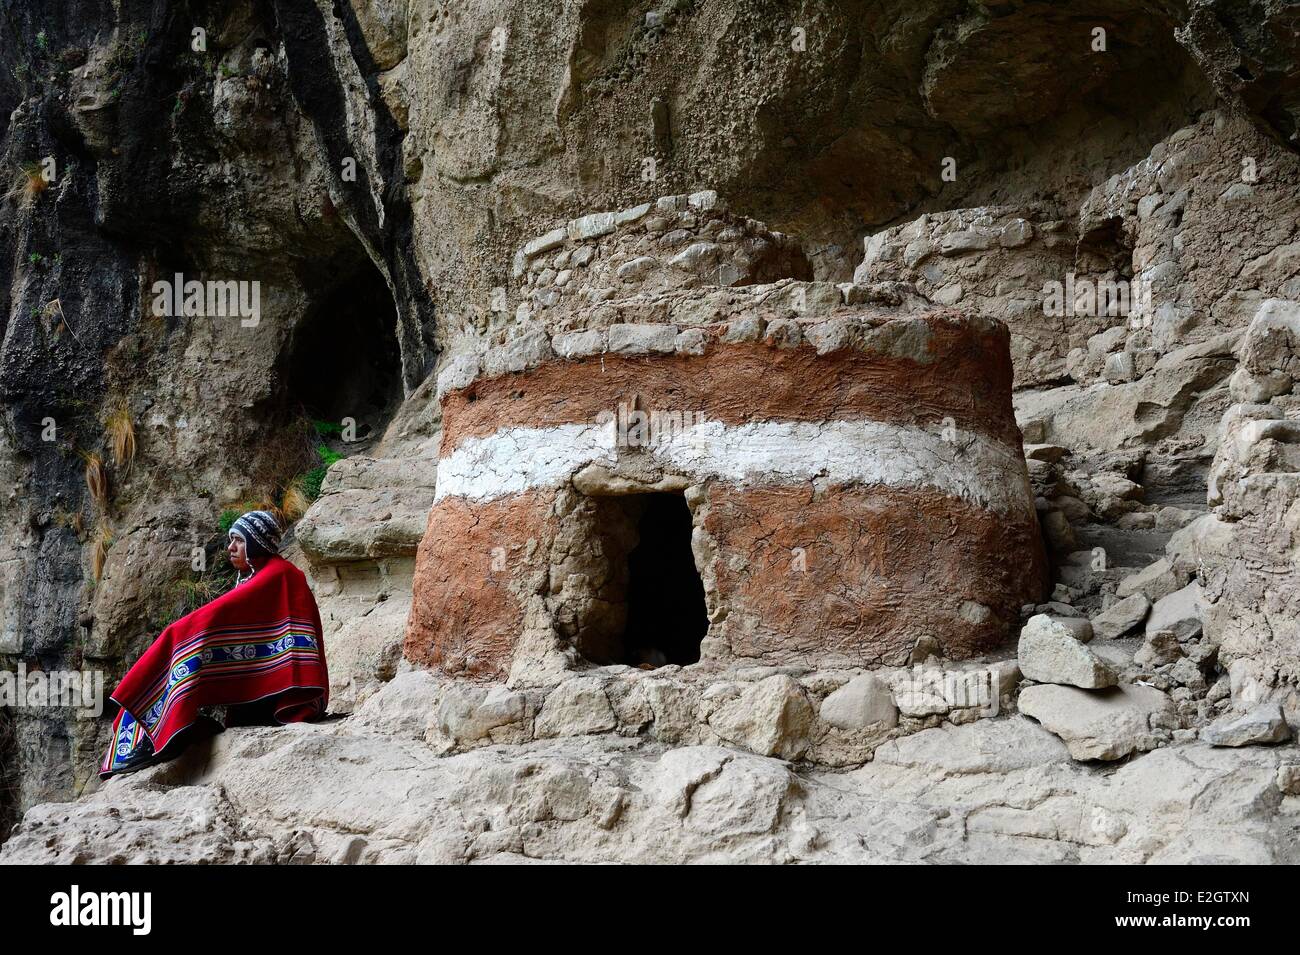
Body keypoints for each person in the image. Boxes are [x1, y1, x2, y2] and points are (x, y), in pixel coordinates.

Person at [99, 510, 329, 777]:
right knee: (185, 650)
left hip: (289, 696)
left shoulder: (279, 574)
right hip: (273, 688)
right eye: (231, 539)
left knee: (183, 648)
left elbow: (218, 615)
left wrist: (181, 632)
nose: (230, 547)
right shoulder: (257, 575)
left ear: (257, 542)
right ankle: (167, 731)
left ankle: (162, 734)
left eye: (239, 540)